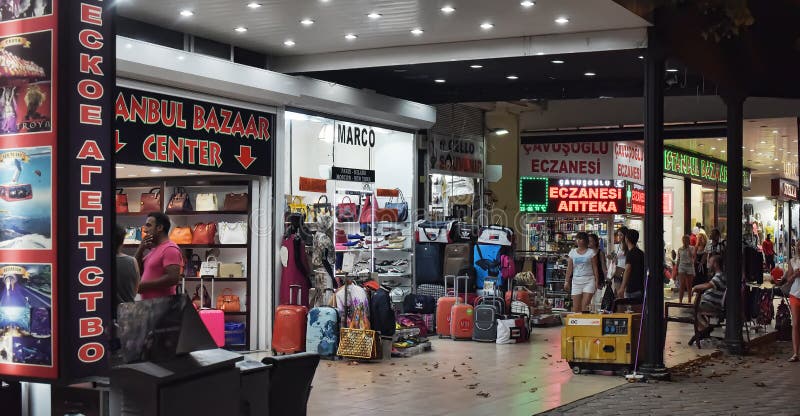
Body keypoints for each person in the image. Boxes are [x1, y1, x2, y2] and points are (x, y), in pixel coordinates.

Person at [134, 212, 182, 299]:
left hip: (163, 307)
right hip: (151, 306)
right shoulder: (154, 250)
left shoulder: (170, 248)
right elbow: (135, 270)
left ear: (159, 227)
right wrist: (140, 249)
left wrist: (143, 286)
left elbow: (173, 278)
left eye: (149, 225)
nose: (145, 230)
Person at [690, 253, 727, 344]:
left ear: (715, 264)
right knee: (696, 311)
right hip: (710, 303)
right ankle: (705, 330)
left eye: (710, 262)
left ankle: (704, 330)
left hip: (712, 305)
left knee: (692, 311)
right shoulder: (720, 275)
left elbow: (708, 285)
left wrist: (695, 287)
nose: (708, 265)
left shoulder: (719, 276)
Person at [564, 232, 598, 313]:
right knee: (576, 308)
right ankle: (578, 324)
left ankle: (585, 324)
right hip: (576, 281)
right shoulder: (572, 252)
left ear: (585, 241)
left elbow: (595, 268)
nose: (578, 241)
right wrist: (566, 281)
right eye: (577, 239)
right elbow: (569, 268)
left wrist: (597, 281)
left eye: (581, 239)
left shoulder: (591, 252)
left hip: (589, 280)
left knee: (585, 306)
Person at [114, 224, 140, 312]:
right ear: (122, 242)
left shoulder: (99, 263)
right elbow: (135, 289)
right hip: (129, 312)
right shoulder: (132, 261)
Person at [783, 239, 800, 362]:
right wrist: (794, 275)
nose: (799, 248)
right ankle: (795, 353)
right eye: (798, 246)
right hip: (795, 294)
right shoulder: (793, 261)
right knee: (795, 324)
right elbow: (788, 279)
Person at [617, 229, 644, 302]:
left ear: (627, 239)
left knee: (630, 309)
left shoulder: (630, 253)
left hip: (632, 288)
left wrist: (622, 287)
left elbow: (628, 270)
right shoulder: (640, 253)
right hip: (640, 286)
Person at [607, 226, 628, 293]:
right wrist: (612, 258)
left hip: (626, 271)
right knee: (618, 292)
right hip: (618, 271)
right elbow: (616, 259)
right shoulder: (618, 246)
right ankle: (620, 303)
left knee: (626, 292)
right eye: (618, 235)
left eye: (621, 235)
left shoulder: (630, 245)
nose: (619, 237)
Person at [676, 235, 696, 303]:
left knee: (689, 285)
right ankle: (680, 301)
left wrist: (688, 249)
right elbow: (678, 259)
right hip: (682, 266)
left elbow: (693, 257)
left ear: (689, 241)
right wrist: (676, 268)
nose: (685, 242)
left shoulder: (692, 248)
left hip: (690, 266)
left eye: (686, 240)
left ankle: (689, 300)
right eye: (684, 240)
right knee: (682, 284)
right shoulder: (680, 249)